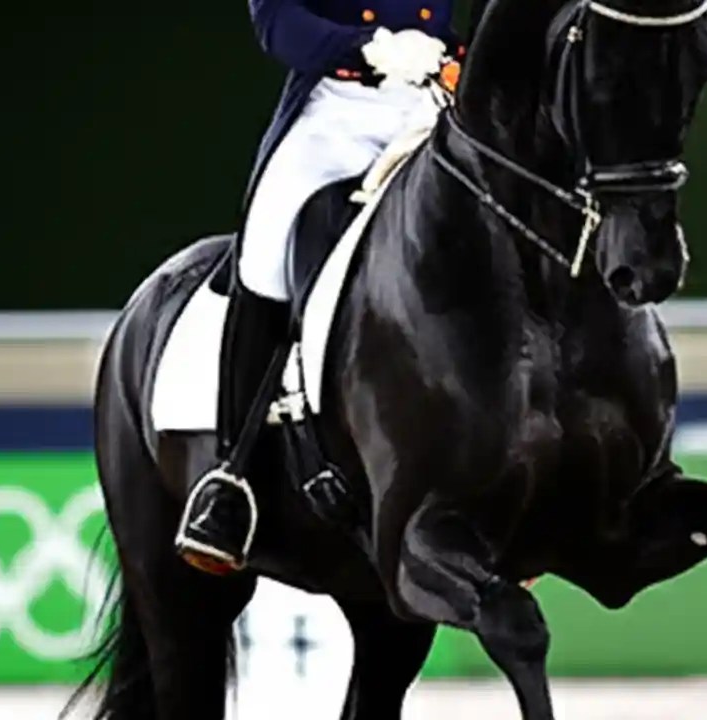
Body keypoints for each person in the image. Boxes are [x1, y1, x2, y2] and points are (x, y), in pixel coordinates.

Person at [173, 0, 466, 575]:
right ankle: (233, 477)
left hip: (434, 107)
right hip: (336, 110)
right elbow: (279, 24)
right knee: (264, 255)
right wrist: (370, 47)